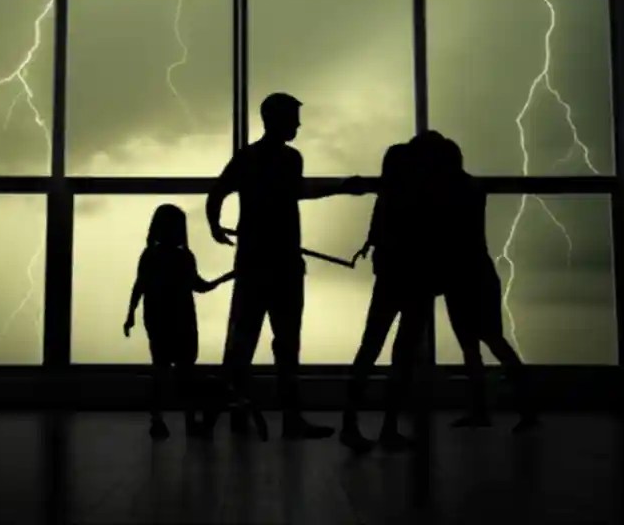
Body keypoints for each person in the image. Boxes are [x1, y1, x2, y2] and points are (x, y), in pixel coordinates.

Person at [205, 92, 368, 440]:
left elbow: (217, 192)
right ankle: (289, 419)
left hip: (253, 263)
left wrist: (215, 225)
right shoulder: (288, 159)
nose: (298, 124)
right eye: (293, 117)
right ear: (276, 119)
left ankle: (222, 416)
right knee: (286, 342)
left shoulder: (247, 157)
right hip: (282, 265)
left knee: (242, 341)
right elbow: (299, 191)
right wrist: (340, 188)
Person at [340, 131, 447, 453]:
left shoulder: (389, 193)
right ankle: (386, 428)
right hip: (416, 280)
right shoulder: (422, 193)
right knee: (400, 355)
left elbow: (380, 234)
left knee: (371, 347)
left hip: (391, 277)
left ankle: (352, 423)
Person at [438, 137, 538, 432]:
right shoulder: (471, 188)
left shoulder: (451, 192)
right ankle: (520, 409)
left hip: (462, 277)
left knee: (479, 346)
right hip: (476, 274)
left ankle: (493, 411)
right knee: (491, 342)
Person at [123, 204, 233, 440]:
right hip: (182, 320)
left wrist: (130, 314)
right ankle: (191, 423)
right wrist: (227, 278)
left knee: (160, 372)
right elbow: (199, 286)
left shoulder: (150, 256)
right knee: (186, 374)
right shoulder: (184, 257)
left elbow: (139, 286)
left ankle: (157, 420)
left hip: (156, 319)